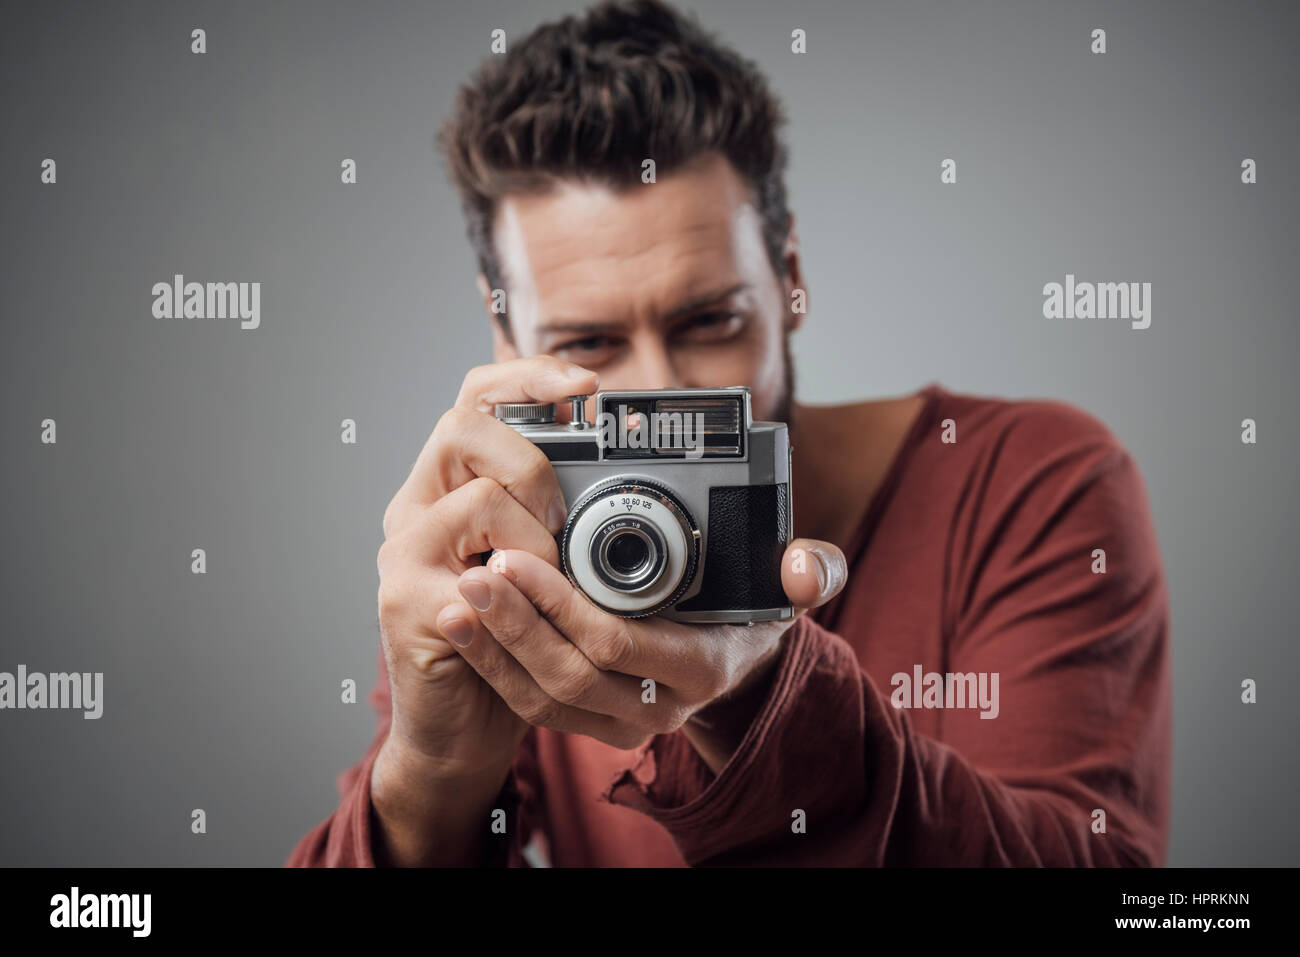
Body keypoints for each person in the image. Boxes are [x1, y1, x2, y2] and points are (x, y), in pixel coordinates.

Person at [288, 0, 1170, 867]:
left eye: (710, 321)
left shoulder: (1033, 483)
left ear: (788, 277)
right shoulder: (502, 540)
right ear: (504, 332)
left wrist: (759, 694)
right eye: (587, 343)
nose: (660, 390)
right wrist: (433, 773)